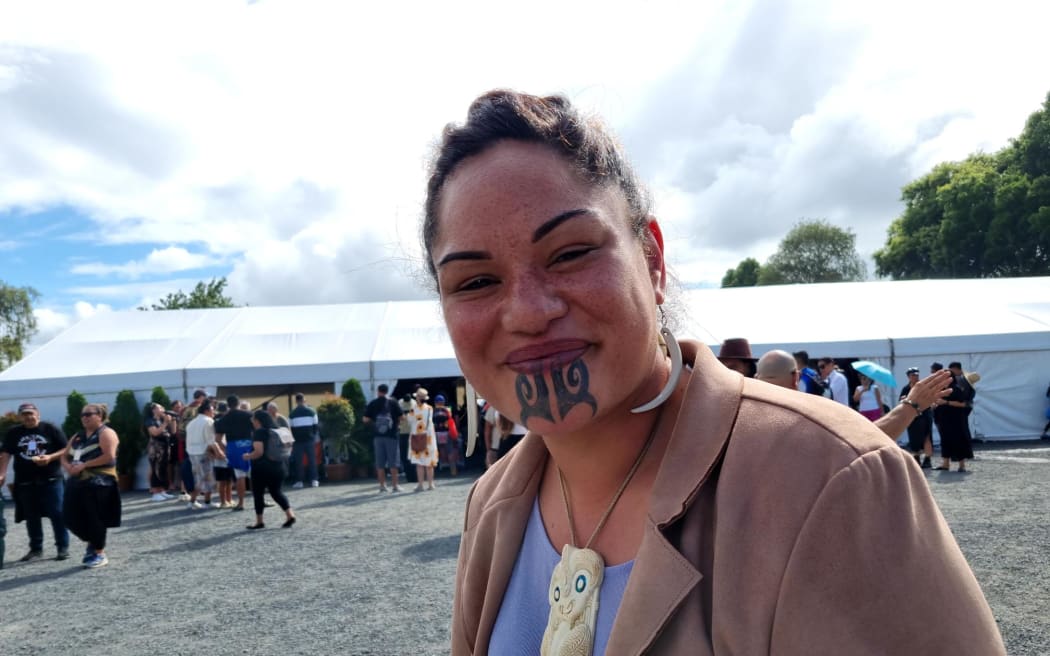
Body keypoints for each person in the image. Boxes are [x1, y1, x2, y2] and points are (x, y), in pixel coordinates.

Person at [427, 90, 1005, 654]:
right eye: (475, 282)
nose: (528, 312)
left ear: (652, 261)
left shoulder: (829, 480)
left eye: (570, 253)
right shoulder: (494, 505)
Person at [0, 403, 70, 562]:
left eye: (31, 414)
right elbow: (6, 453)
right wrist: (2, 474)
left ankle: (62, 547)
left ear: (38, 414)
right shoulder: (14, 433)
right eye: (24, 414)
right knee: (31, 516)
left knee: (57, 513)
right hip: (25, 481)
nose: (28, 417)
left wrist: (50, 457)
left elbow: (66, 448)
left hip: (51, 478)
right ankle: (36, 549)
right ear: (20, 417)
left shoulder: (50, 429)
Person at [62, 403, 120, 568]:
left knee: (95, 518)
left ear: (99, 416)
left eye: (89, 414)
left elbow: (109, 456)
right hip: (77, 480)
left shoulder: (106, 433)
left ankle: (99, 552)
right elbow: (64, 455)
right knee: (69, 517)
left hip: (100, 481)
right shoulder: (78, 436)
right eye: (83, 415)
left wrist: (85, 465)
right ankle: (93, 542)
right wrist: (68, 468)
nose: (84, 417)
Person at [241, 410, 296, 530]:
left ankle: (259, 521)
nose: (252, 422)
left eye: (253, 419)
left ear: (258, 421)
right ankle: (290, 515)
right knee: (277, 492)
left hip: (262, 468)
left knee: (258, 494)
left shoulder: (259, 432)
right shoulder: (278, 430)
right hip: (279, 466)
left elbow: (258, 452)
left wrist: (247, 456)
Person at [214, 395, 253, 510]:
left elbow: (218, 440)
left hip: (233, 447)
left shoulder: (222, 419)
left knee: (239, 475)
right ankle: (260, 499)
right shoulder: (249, 415)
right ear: (239, 403)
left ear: (228, 405)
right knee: (254, 474)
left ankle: (240, 503)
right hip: (248, 444)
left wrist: (226, 449)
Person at [936, 362, 977, 472]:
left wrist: (946, 402)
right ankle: (945, 464)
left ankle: (961, 465)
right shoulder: (940, 390)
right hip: (944, 419)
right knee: (945, 440)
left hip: (956, 419)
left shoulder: (956, 389)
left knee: (959, 440)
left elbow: (964, 404)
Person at [363, 383, 403, 493]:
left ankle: (382, 486)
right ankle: (395, 486)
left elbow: (365, 419)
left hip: (378, 437)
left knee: (380, 462)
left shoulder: (373, 403)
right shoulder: (393, 402)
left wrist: (374, 423)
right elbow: (401, 417)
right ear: (387, 391)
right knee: (393, 462)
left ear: (378, 391)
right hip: (392, 435)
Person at [185, 399, 218, 509]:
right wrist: (217, 453)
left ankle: (192, 501)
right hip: (203, 452)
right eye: (213, 409)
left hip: (192, 453)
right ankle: (207, 502)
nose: (214, 412)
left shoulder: (191, 423)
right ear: (207, 410)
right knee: (208, 478)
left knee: (198, 478)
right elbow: (210, 441)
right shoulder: (208, 421)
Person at [901, 367, 935, 467]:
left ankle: (928, 459)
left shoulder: (924, 386)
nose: (915, 377)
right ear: (908, 377)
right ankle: (916, 458)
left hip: (925, 414)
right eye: (913, 375)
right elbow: (902, 401)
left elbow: (931, 397)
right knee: (914, 438)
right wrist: (904, 399)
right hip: (912, 416)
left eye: (916, 375)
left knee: (927, 436)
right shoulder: (906, 388)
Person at [406, 388, 437, 491]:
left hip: (417, 437)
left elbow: (409, 421)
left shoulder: (413, 409)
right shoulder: (429, 408)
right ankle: (430, 484)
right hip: (428, 437)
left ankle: (420, 484)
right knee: (429, 463)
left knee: (419, 462)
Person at [144, 403, 175, 501]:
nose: (163, 409)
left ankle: (162, 490)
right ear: (153, 410)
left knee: (163, 469)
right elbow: (155, 433)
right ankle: (155, 492)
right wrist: (165, 423)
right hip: (156, 449)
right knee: (155, 469)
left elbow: (173, 432)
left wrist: (173, 420)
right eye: (160, 407)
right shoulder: (150, 421)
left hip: (165, 447)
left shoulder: (161, 420)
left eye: (163, 407)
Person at [289, 393, 320, 488]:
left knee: (298, 462)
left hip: (298, 441)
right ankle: (314, 480)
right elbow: (316, 426)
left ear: (296, 401)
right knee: (312, 460)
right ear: (304, 400)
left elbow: (291, 428)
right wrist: (312, 436)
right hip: (309, 439)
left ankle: (299, 481)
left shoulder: (292, 414)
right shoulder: (312, 412)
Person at [433, 394, 461, 476]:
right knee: (450, 451)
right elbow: (454, 420)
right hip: (448, 433)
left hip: (436, 433)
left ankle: (436, 472)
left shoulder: (433, 411)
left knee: (438, 451)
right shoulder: (448, 410)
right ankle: (453, 471)